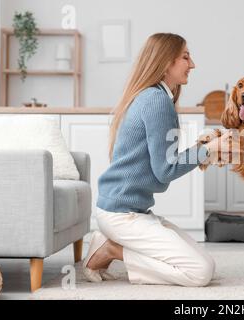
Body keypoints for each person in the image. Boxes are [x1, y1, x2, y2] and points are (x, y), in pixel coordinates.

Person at [82, 33, 236, 287]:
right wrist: (207, 150)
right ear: (166, 62)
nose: (193, 64)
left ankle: (110, 243)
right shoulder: (156, 100)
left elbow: (165, 161)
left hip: (132, 211)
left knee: (205, 263)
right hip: (122, 215)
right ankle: (111, 249)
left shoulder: (154, 97)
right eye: (186, 57)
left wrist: (207, 147)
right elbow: (165, 170)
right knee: (200, 272)